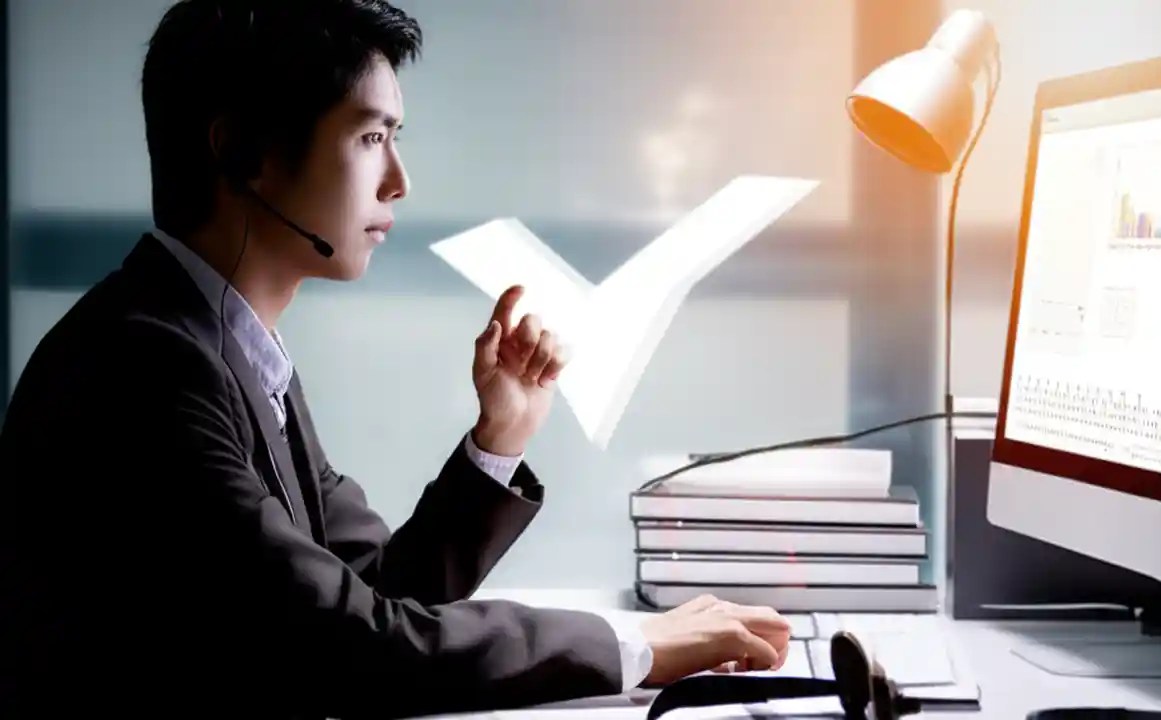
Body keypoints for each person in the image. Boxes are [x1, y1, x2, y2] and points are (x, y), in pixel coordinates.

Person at [0, 0, 792, 718]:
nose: (400, 181)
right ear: (243, 152)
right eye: (371, 136)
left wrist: (499, 439)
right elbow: (346, 644)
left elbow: (375, 589)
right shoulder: (145, 368)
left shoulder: (222, 346)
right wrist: (635, 647)